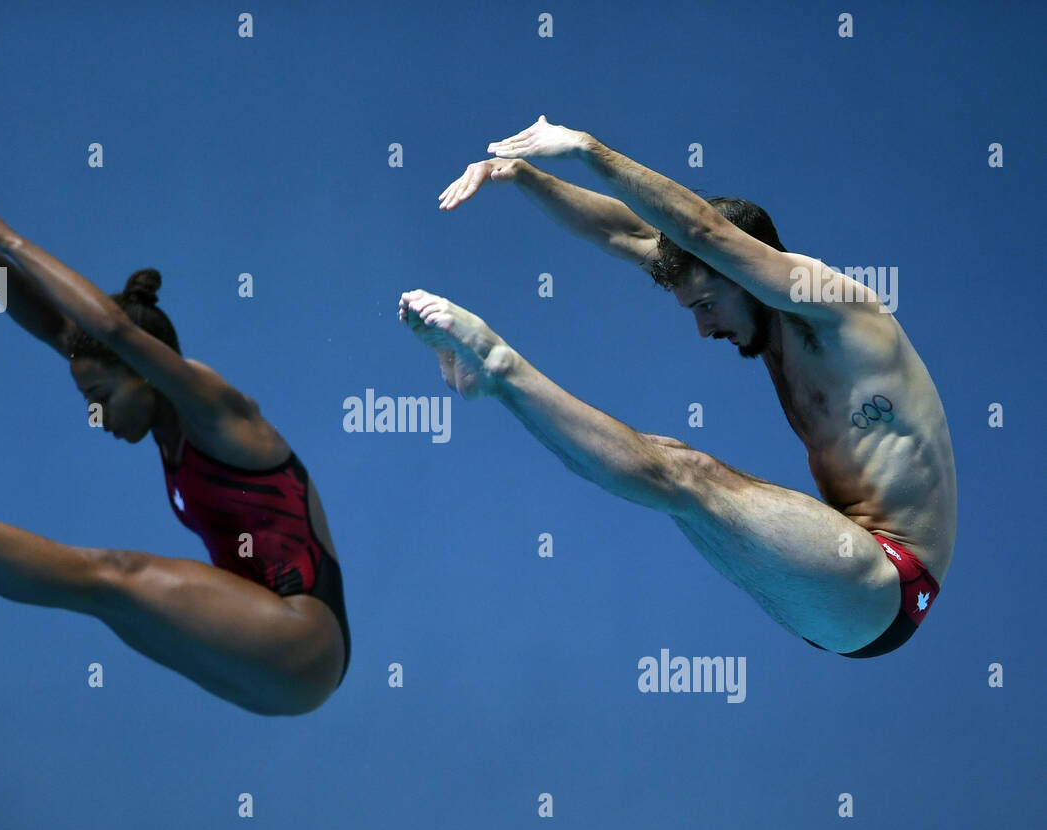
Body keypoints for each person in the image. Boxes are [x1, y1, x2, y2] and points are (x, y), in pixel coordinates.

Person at [408, 116, 955, 657]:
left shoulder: (839, 308)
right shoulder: (751, 304)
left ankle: (500, 369)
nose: (703, 328)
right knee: (667, 457)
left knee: (687, 475)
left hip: (892, 581)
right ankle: (496, 380)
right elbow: (625, 231)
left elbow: (704, 231)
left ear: (745, 274)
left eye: (707, 306)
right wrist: (526, 177)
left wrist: (587, 148)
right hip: (837, 572)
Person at [0, 202, 349, 715]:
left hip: (303, 641)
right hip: (263, 670)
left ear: (147, 373)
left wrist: (8, 238)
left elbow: (115, 332)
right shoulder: (155, 412)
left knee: (112, 573)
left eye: (102, 400)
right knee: (104, 597)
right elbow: (60, 330)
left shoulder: (214, 409)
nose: (98, 418)